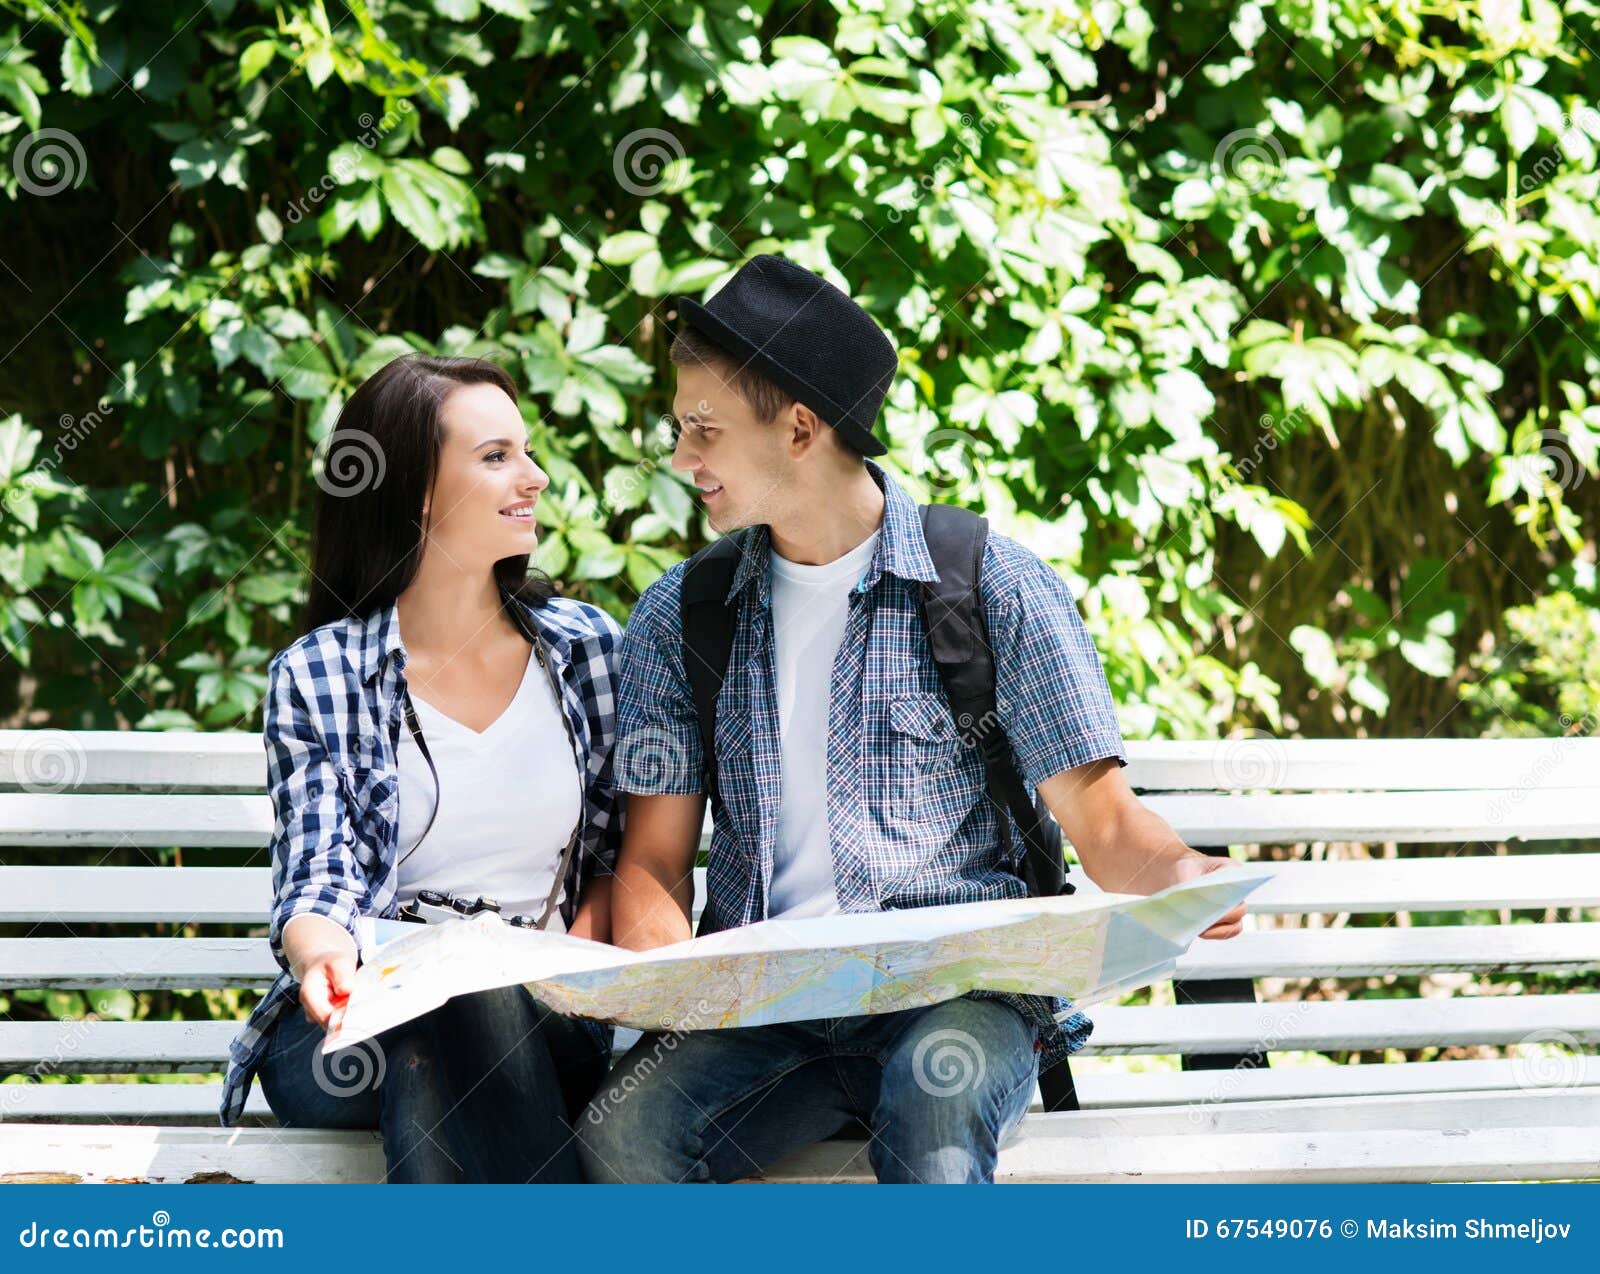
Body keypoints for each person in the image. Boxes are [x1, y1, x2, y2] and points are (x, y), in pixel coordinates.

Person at [576, 254, 1245, 1185]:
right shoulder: (682, 615)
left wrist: (1183, 874)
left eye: (704, 430)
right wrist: (662, 983)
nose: (683, 458)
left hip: (957, 995)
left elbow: (1106, 826)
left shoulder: (989, 587)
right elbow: (653, 861)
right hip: (767, 1009)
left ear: (801, 428)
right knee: (624, 1128)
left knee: (934, 1103)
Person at [218, 355, 623, 1183]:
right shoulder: (318, 673)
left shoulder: (588, 651)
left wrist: (567, 974)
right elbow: (317, 875)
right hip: (350, 1034)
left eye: (527, 451)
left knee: (448, 1037)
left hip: (546, 1018)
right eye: (497, 456)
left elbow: (624, 857)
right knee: (433, 1017)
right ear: (419, 491)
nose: (535, 477)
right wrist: (320, 954)